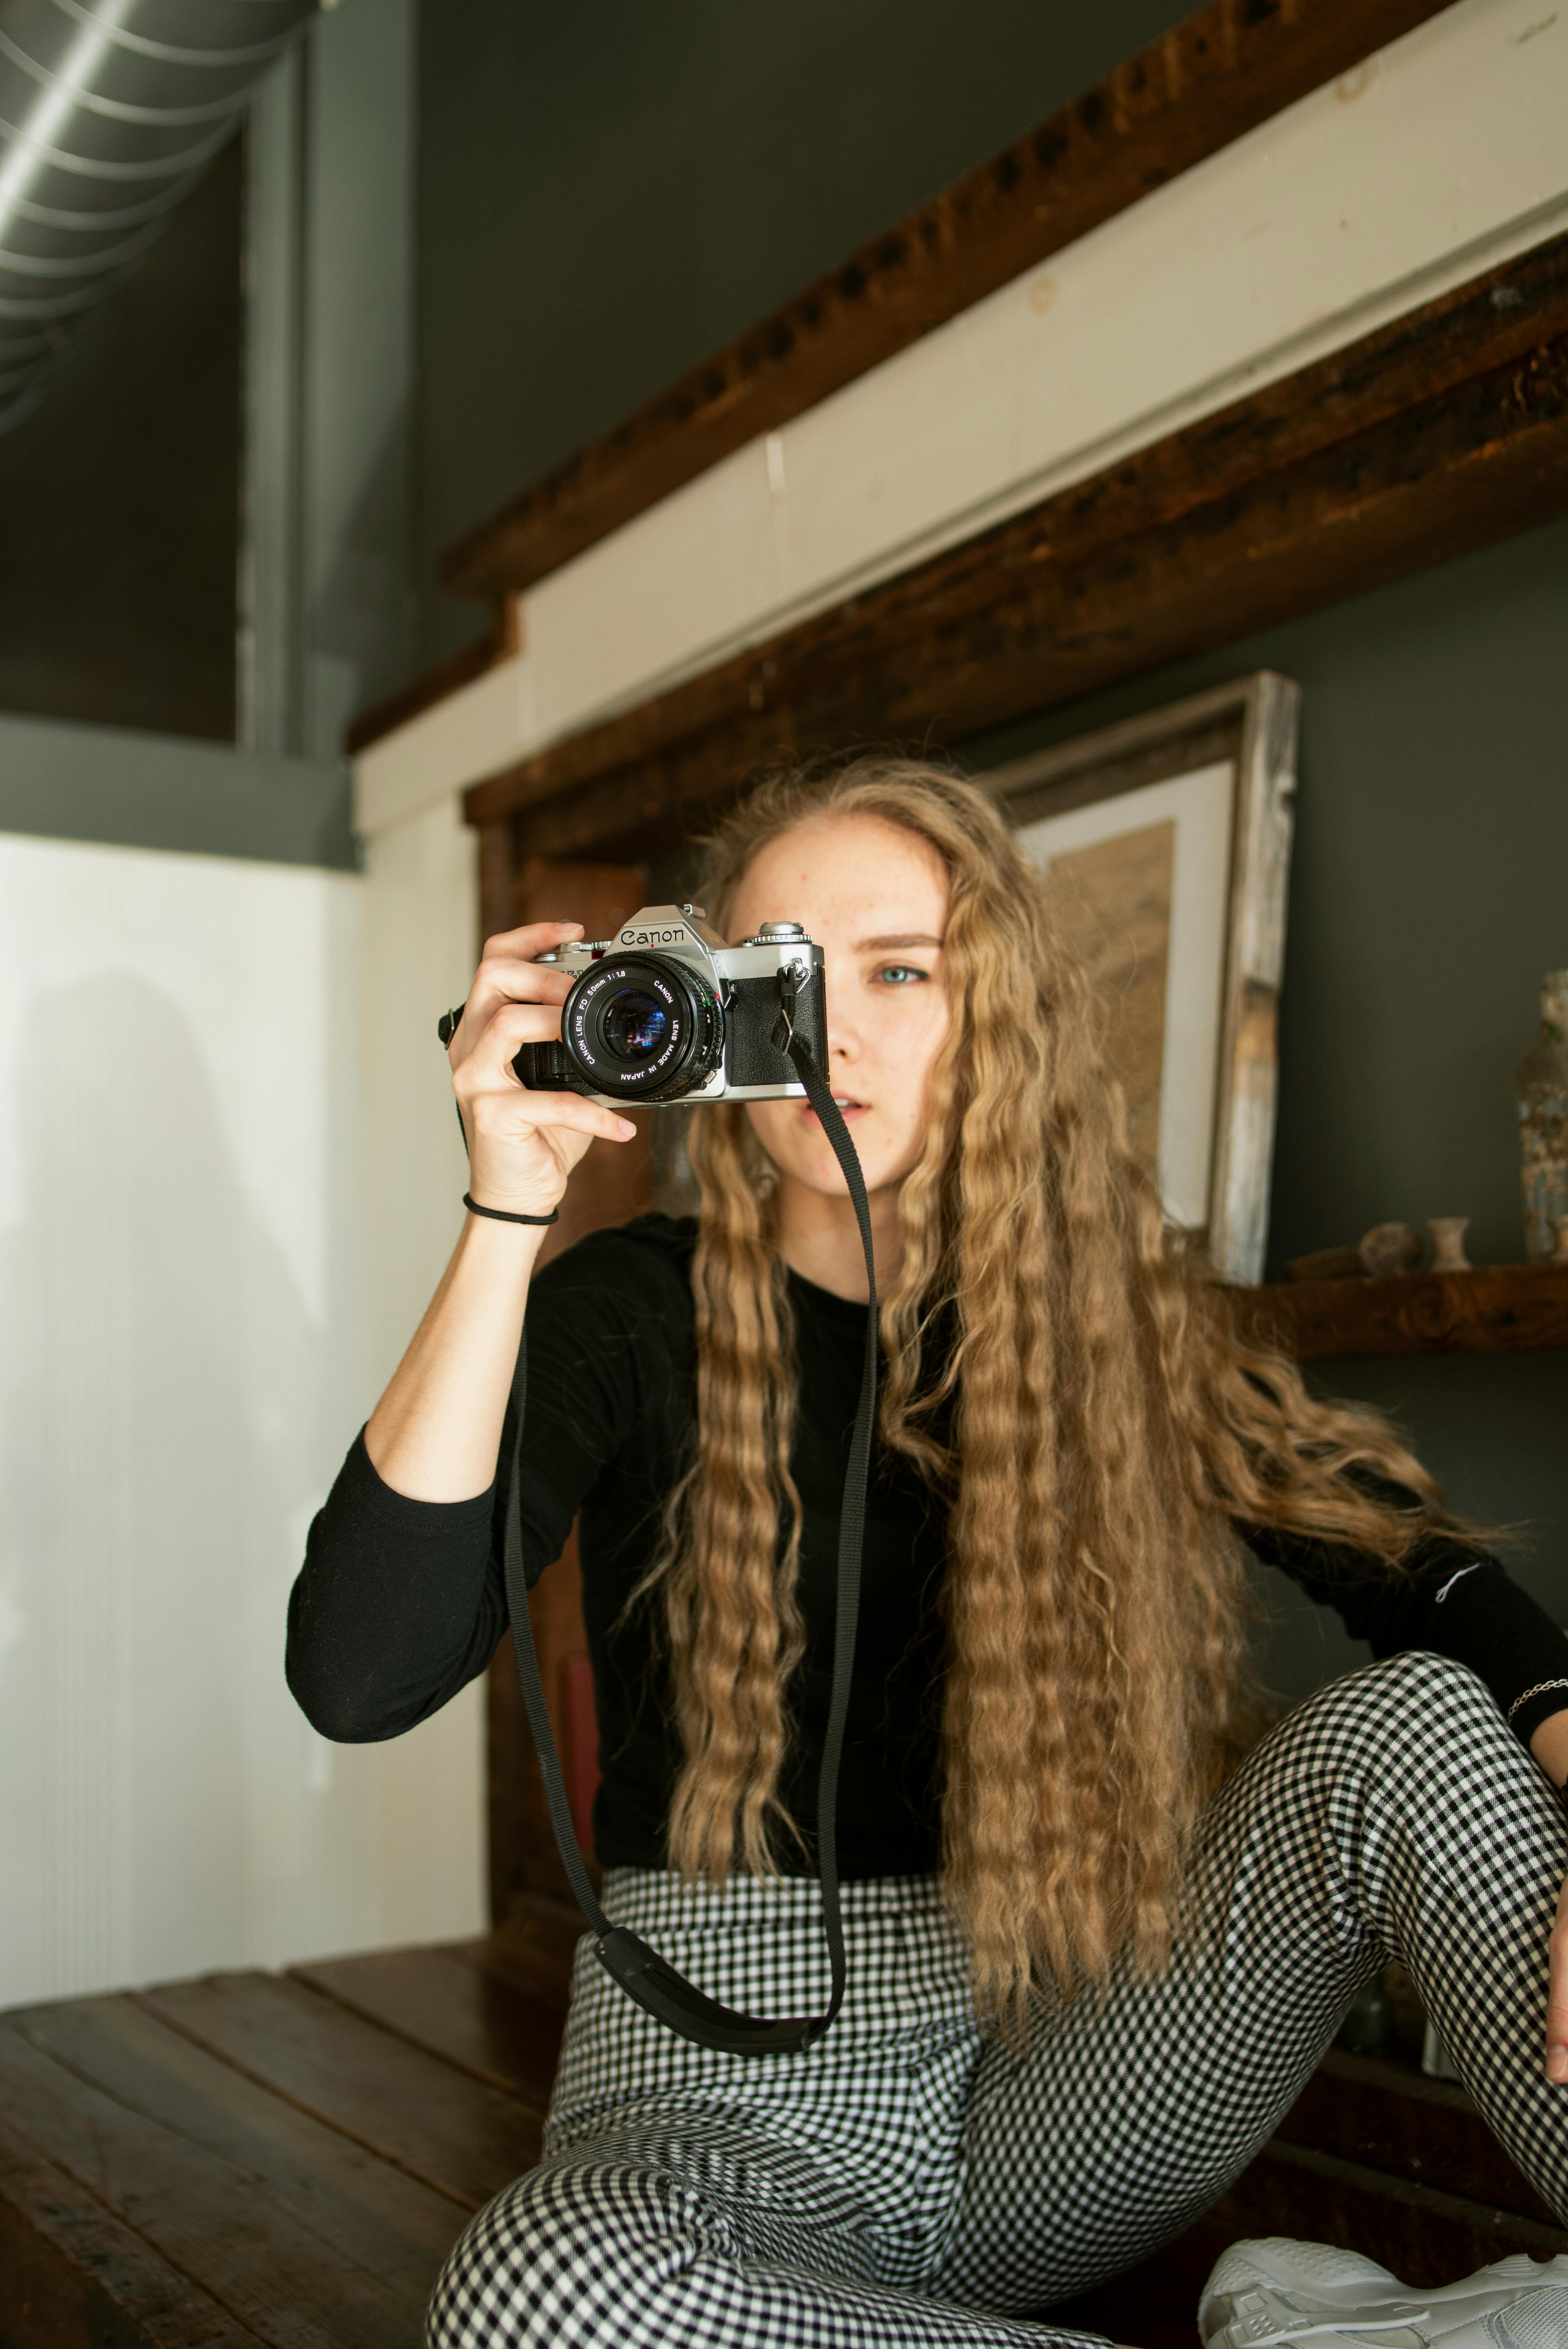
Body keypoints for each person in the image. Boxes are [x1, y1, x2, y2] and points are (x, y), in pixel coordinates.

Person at [287, 759, 1568, 2349]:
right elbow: (356, 1673)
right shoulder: (621, 1311)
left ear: (998, 1015)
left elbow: (1411, 1562)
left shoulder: (1105, 1322)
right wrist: (504, 1211)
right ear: (697, 1010)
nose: (838, 1024)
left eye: (900, 970)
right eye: (783, 973)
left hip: (1052, 2099)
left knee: (1421, 1729)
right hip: (712, 2132)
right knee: (533, 2291)